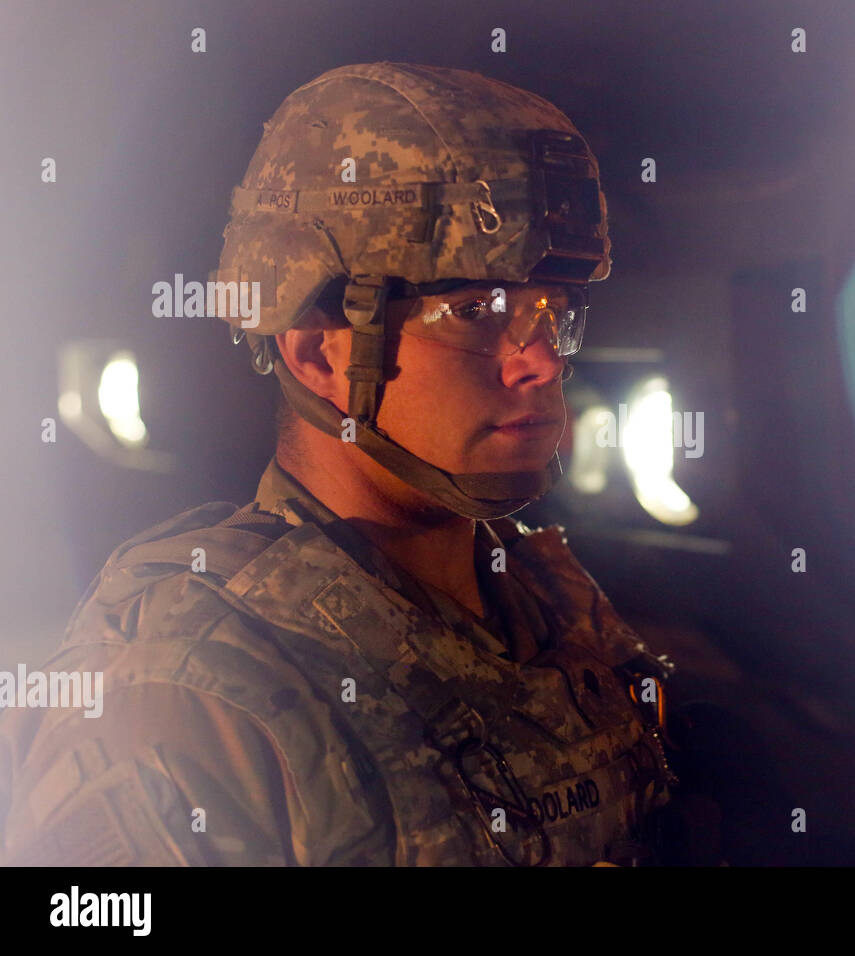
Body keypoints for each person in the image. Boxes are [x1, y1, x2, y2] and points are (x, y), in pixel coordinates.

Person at [0, 62, 683, 866]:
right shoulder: (187, 688)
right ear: (319, 351)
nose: (538, 361)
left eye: (552, 313)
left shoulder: (546, 603)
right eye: (474, 313)